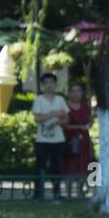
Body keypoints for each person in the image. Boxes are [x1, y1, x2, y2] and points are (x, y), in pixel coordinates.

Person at [31, 71, 69, 202]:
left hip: (58, 139)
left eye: (51, 83)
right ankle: (37, 194)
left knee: (56, 167)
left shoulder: (60, 100)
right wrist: (54, 114)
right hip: (42, 139)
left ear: (55, 85)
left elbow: (66, 119)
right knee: (40, 166)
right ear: (42, 85)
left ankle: (57, 193)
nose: (49, 85)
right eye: (46, 83)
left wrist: (57, 121)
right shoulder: (38, 100)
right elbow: (38, 118)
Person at [62, 82, 93, 196]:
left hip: (84, 139)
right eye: (73, 91)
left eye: (78, 91)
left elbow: (90, 120)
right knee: (69, 164)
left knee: (83, 163)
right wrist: (79, 127)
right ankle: (68, 192)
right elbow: (63, 125)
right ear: (69, 93)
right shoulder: (65, 106)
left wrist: (89, 124)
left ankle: (81, 191)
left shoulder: (85, 105)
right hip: (69, 139)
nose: (76, 94)